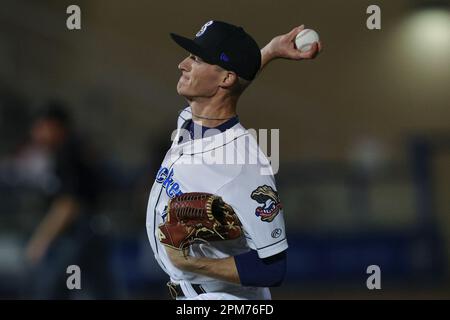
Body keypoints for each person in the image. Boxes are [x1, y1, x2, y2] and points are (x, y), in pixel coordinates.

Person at [146, 20, 321, 300]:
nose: (182, 64)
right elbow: (229, 85)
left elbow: (273, 268)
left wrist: (190, 263)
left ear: (225, 78)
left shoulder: (243, 165)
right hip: (191, 295)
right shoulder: (192, 120)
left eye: (197, 59)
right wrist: (269, 51)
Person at [23, 102, 114, 299]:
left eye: (40, 126)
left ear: (54, 126)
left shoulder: (68, 150)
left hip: (79, 234)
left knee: (51, 290)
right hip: (92, 231)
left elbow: (68, 204)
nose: (35, 133)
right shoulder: (73, 147)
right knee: (97, 290)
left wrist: (40, 240)